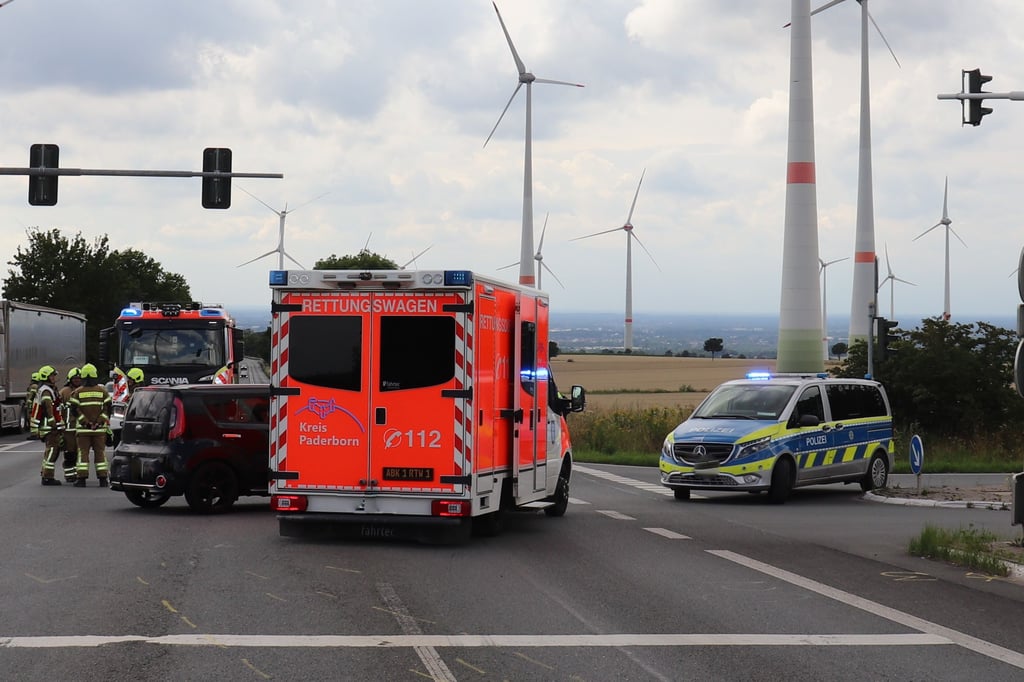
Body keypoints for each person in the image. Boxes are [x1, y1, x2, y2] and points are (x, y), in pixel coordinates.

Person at [69, 363, 112, 487]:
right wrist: (98, 422)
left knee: (83, 454)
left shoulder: (77, 392)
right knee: (100, 453)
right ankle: (103, 479)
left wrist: (86, 423)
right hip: (99, 430)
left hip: (83, 430)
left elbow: (74, 410)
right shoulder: (103, 391)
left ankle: (81, 480)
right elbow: (108, 409)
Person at [36, 365, 65, 486]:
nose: (54, 377)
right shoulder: (46, 390)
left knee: (50, 451)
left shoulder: (48, 388)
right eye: (52, 376)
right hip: (50, 427)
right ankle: (48, 477)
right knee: (53, 450)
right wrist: (55, 424)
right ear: (46, 377)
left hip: (49, 426)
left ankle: (45, 473)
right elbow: (49, 408)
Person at [59, 367, 82, 483]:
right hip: (68, 429)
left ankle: (79, 475)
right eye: (75, 378)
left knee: (81, 453)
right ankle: (69, 475)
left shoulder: (84, 391)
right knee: (69, 453)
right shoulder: (64, 392)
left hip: (82, 428)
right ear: (70, 379)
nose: (77, 380)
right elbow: (58, 409)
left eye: (79, 378)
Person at [25, 371, 41, 439]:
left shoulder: (33, 386)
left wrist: (28, 406)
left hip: (32, 406)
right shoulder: (36, 386)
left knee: (32, 420)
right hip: (34, 406)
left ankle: (34, 434)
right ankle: (36, 433)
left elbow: (30, 397)